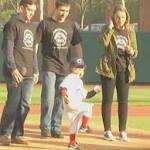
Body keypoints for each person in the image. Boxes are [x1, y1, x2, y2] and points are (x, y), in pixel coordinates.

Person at [37, 0, 83, 138]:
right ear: (56, 9)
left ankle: (56, 127)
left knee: (60, 98)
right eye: (62, 10)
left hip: (65, 67)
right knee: (48, 97)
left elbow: (77, 45)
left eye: (67, 11)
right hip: (49, 65)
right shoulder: (45, 24)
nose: (64, 13)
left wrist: (79, 66)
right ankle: (45, 126)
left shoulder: (71, 25)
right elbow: (35, 44)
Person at [95, 4, 138, 141]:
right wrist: (109, 28)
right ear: (113, 17)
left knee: (123, 101)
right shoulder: (108, 29)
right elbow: (103, 43)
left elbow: (135, 51)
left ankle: (122, 131)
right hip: (109, 68)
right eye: (118, 17)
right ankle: (107, 131)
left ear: (127, 18)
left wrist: (131, 51)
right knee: (107, 100)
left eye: (123, 17)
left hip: (124, 69)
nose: (120, 20)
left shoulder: (130, 31)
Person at [0, 0, 38, 146]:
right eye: (29, 9)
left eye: (33, 10)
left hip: (29, 72)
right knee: (13, 102)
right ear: (20, 8)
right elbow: (7, 48)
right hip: (15, 71)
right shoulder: (12, 23)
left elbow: (33, 51)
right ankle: (4, 134)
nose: (31, 13)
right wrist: (13, 68)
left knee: (25, 104)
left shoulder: (32, 27)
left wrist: (35, 69)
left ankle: (17, 134)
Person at [60, 57, 101, 150]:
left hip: (72, 105)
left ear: (83, 68)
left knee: (74, 124)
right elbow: (63, 88)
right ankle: (84, 126)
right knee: (88, 107)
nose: (78, 69)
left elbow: (86, 95)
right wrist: (64, 95)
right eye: (76, 67)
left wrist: (94, 91)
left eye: (80, 67)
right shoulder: (70, 77)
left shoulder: (79, 81)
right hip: (71, 103)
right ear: (71, 68)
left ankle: (72, 143)